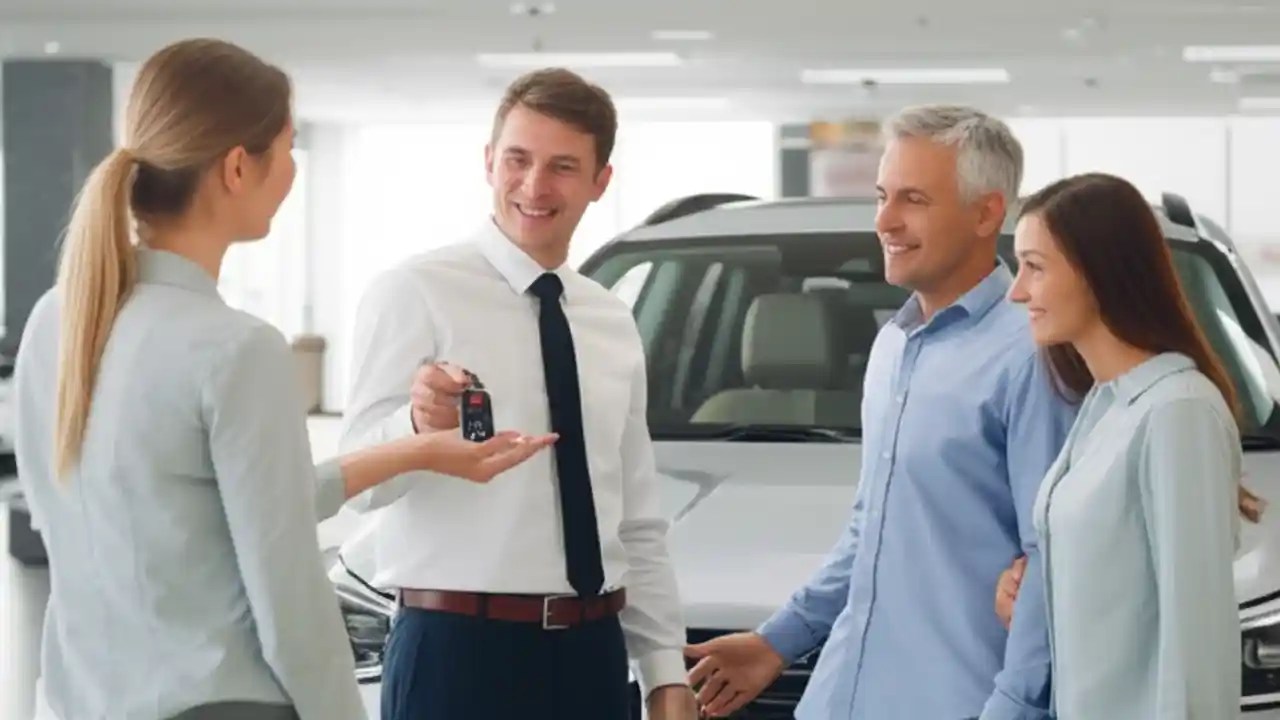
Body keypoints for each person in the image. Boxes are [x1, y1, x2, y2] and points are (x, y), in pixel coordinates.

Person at [13, 38, 555, 720]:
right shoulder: (238, 349)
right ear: (238, 167)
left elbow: (206, 509)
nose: (293, 169)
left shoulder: (57, 319)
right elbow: (289, 599)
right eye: (289, 146)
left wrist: (418, 449)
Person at [682, 105, 1078, 719]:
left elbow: (1050, 570)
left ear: (987, 212)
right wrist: (776, 641)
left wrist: (1016, 710)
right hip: (841, 695)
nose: (886, 221)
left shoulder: (1031, 355)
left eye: (913, 199)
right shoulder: (895, 344)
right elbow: (874, 528)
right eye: (881, 196)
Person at [337, 67, 698, 720]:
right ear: (488, 163)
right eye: (518, 159)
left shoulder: (610, 319)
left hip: (592, 656)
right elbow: (356, 485)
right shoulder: (414, 291)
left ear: (600, 182)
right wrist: (419, 425)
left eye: (563, 166)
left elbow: (636, 517)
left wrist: (664, 671)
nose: (534, 186)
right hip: (458, 656)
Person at [992, 172, 1261, 717]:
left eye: (1035, 267)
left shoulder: (1177, 411)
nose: (1017, 291)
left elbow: (1197, 648)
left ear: (1096, 273)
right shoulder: (1105, 404)